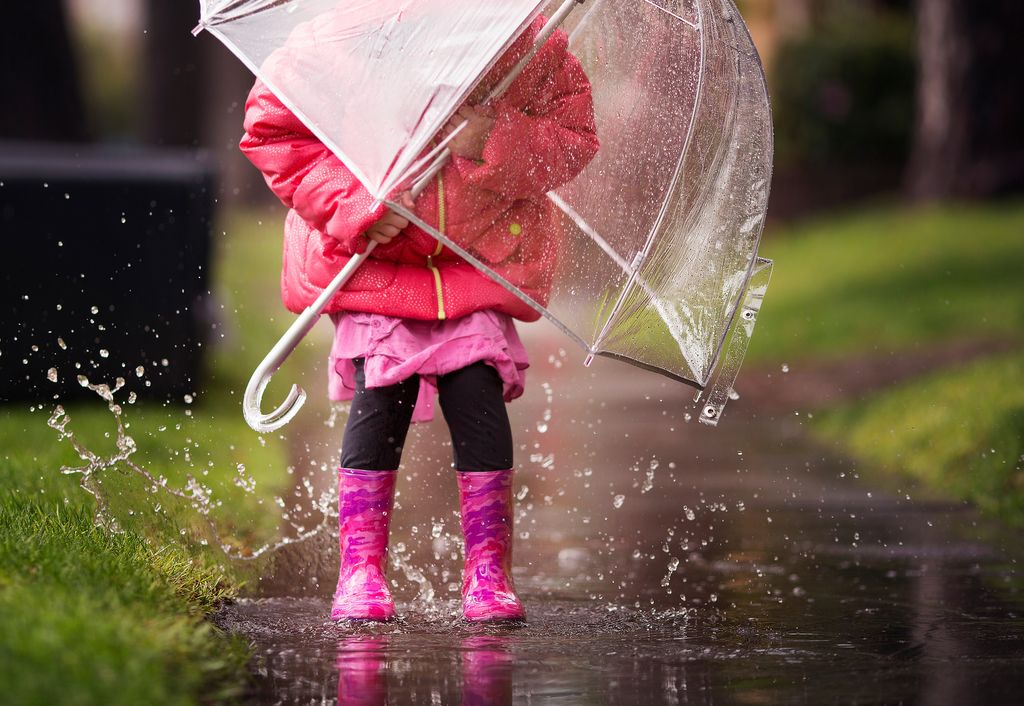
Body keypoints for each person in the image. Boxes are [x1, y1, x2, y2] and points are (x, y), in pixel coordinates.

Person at [240, 12, 598, 622]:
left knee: (476, 392)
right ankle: (360, 570)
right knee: (381, 398)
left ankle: (488, 571)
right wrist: (353, 207)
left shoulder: (526, 45)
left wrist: (493, 136)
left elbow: (573, 140)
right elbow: (276, 135)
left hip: (473, 260)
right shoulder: (337, 43)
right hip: (378, 263)